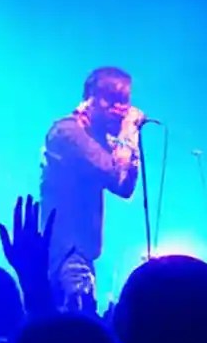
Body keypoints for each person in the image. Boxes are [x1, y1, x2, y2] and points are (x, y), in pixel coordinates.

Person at [39, 67, 144, 313]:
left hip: (81, 254)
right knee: (76, 323)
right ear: (90, 99)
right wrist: (128, 133)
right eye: (113, 100)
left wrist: (128, 141)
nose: (121, 110)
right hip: (66, 254)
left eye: (125, 102)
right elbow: (115, 173)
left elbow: (124, 187)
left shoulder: (98, 139)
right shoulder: (68, 132)